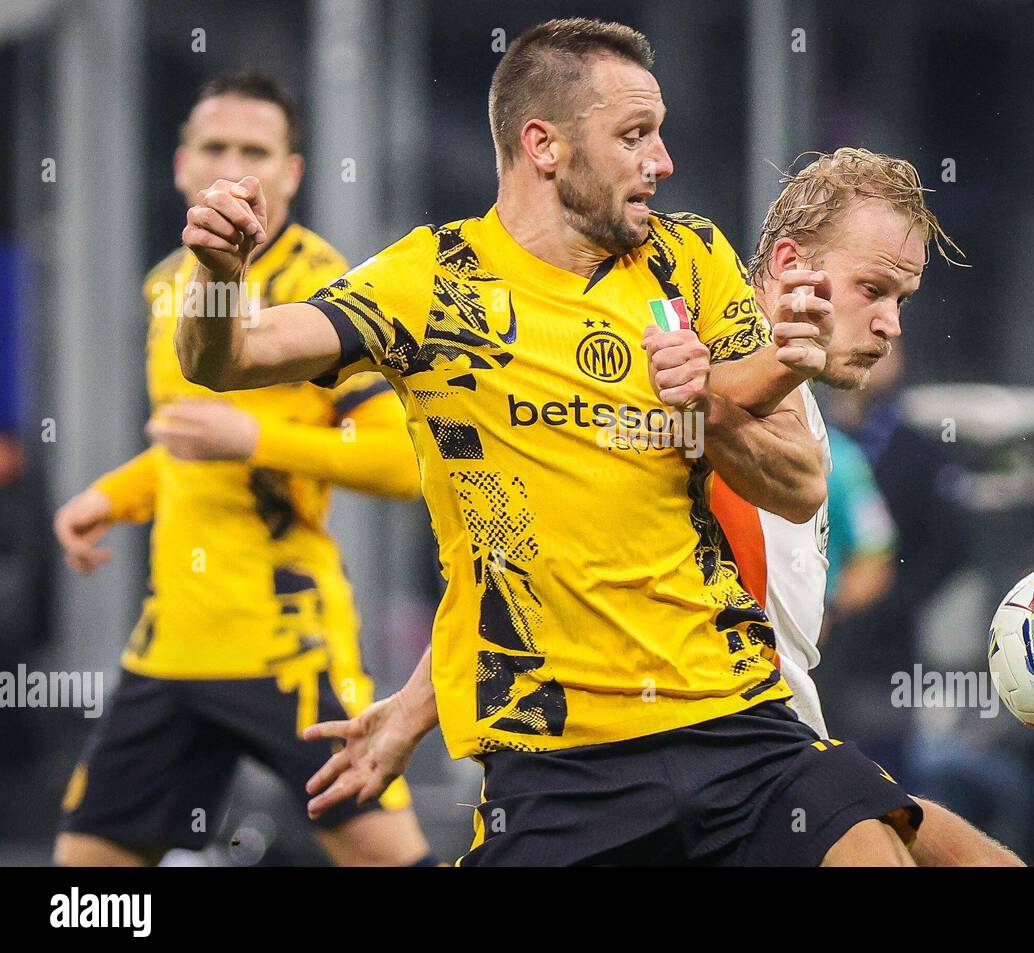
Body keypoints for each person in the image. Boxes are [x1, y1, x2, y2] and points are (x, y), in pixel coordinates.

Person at [178, 19, 926, 866]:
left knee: (881, 852)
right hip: (557, 763)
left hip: (736, 725)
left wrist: (702, 403)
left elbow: (798, 483)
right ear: (544, 145)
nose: (663, 161)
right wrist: (218, 277)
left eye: (661, 133)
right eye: (635, 136)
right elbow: (229, 358)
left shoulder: (692, 261)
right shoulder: (429, 283)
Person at [52, 74, 433, 867]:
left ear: (290, 174)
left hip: (285, 646)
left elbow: (402, 459)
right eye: (214, 148)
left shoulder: (329, 291)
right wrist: (110, 497)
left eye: (253, 151)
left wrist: (253, 441)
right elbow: (187, 443)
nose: (230, 165)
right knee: (87, 882)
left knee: (387, 858)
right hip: (170, 646)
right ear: (182, 164)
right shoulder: (168, 284)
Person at [711, 147, 1021, 864]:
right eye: (872, 290)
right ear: (788, 263)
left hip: (789, 737)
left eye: (901, 301)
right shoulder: (703, 377)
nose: (893, 325)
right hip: (727, 755)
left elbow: (877, 558)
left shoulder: (812, 416)